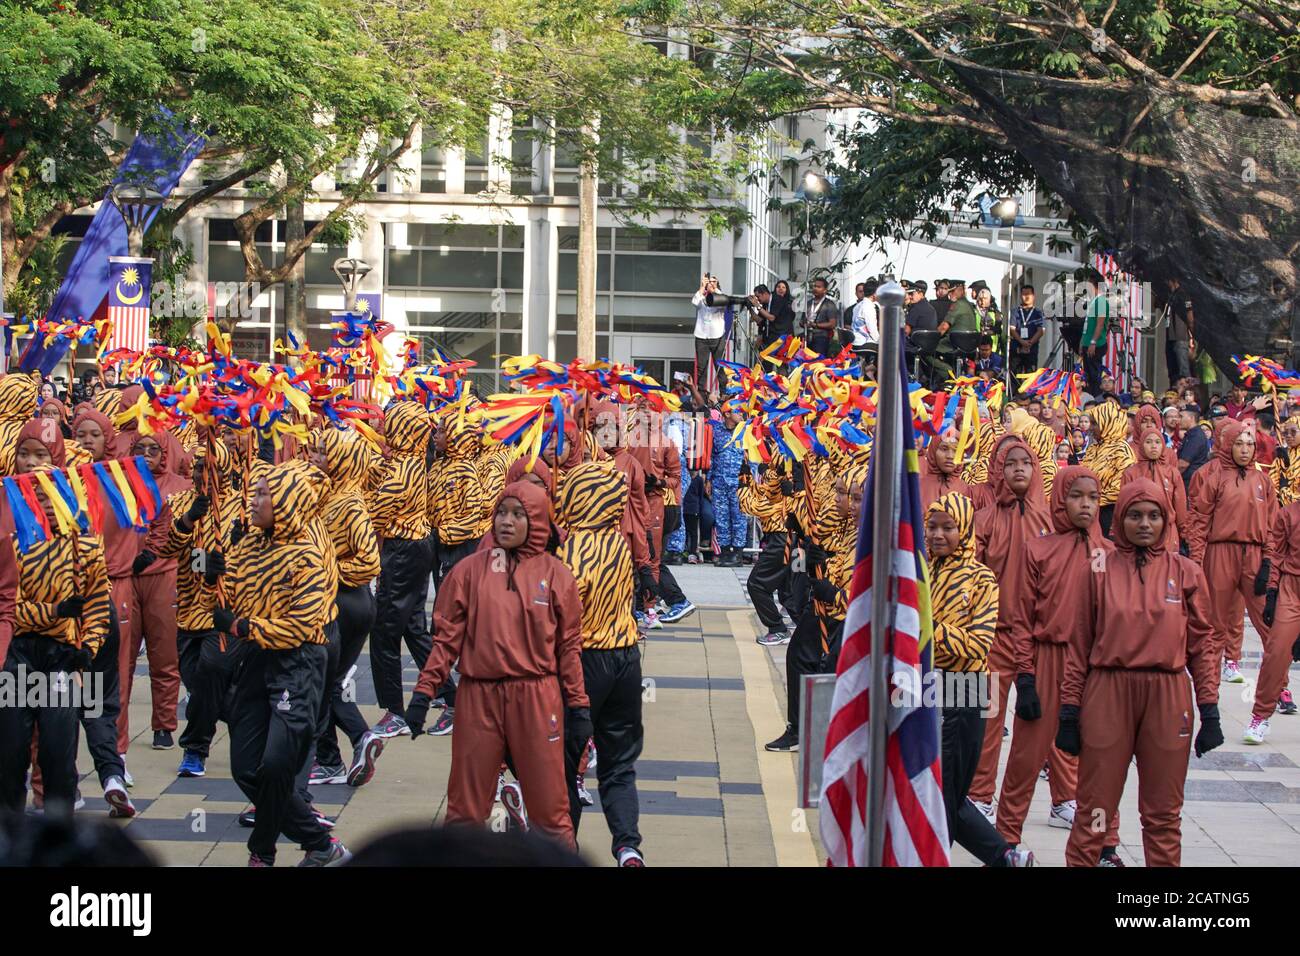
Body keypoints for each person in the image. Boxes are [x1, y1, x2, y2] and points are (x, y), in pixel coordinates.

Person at [406, 482, 589, 850]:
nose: (506, 521)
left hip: (537, 697)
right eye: (501, 513)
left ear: (536, 520)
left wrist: (579, 704)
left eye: (518, 514)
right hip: (478, 696)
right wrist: (424, 693)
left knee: (550, 811)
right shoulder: (468, 571)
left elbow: (569, 647)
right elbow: (445, 640)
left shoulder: (556, 575)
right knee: (464, 811)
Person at [1057, 480, 1221, 867]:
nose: (1144, 524)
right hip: (1107, 692)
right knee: (1094, 813)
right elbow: (1078, 645)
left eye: (1154, 516)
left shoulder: (1186, 572)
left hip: (1167, 695)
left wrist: (1210, 707)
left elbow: (1203, 645)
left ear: (1167, 521)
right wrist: (1069, 709)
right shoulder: (1097, 567)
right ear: (1120, 519)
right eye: (1134, 515)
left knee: (1163, 814)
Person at [215, 463, 347, 866]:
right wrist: (209, 565)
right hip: (256, 659)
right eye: (253, 493)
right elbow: (225, 585)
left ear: (286, 501)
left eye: (261, 494)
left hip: (298, 663)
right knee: (245, 768)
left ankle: (263, 851)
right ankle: (322, 845)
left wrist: (241, 625)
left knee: (275, 765)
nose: (252, 502)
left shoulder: (307, 556)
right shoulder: (250, 544)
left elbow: (301, 626)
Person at [997, 466, 1121, 863]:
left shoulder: (1110, 554)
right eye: (1076, 496)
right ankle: (1005, 841)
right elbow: (1020, 615)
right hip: (1048, 659)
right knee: (1025, 757)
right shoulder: (1039, 549)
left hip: (1092, 666)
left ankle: (1105, 843)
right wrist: (1026, 676)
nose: (1085, 505)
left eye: (1092, 497)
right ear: (1060, 499)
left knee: (1101, 760)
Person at [0, 419, 112, 816]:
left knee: (58, 751)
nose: (32, 464)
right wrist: (50, 611)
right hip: (16, 653)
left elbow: (98, 596)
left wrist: (88, 646)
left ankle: (61, 839)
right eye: (24, 454)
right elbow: (6, 601)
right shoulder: (5, 523)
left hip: (62, 655)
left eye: (42, 456)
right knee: (11, 750)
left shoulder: (81, 530)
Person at [925, 492, 1032, 867]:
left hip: (964, 688)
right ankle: (1007, 857)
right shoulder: (922, 573)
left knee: (944, 793)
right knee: (936, 790)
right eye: (932, 526)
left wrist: (927, 631)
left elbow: (977, 644)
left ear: (965, 529)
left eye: (948, 527)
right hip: (923, 688)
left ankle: (1003, 857)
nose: (938, 535)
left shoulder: (981, 578)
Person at [553, 463, 645, 865]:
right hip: (626, 658)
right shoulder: (617, 544)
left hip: (587, 662)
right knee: (619, 763)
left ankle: (563, 847)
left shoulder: (573, 551)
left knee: (564, 764)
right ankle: (627, 845)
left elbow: (563, 616)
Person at [967, 438, 1053, 822]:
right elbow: (971, 579)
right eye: (1010, 463)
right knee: (988, 720)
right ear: (997, 470)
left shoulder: (1050, 520)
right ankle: (980, 795)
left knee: (1045, 724)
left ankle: (1063, 799)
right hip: (995, 637)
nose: (1019, 469)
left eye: (1026, 463)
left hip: (1038, 639)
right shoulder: (984, 521)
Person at [307, 427, 385, 787]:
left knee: (319, 683)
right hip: (337, 598)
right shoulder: (328, 495)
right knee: (328, 682)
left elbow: (370, 562)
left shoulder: (350, 503)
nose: (315, 457)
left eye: (323, 452)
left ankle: (331, 758)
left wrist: (326, 570)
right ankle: (355, 741)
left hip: (346, 601)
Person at [1187, 420, 1278, 702]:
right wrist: (1197, 564)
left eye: (1250, 444)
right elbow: (1199, 522)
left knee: (1270, 626)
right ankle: (1209, 690)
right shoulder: (1213, 477)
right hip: (1220, 553)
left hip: (1254, 555)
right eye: (1239, 443)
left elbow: (1273, 526)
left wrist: (1268, 562)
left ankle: (1280, 689)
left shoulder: (1263, 481)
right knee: (1214, 626)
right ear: (1228, 445)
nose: (1245, 449)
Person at [367, 400, 435, 739]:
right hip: (418, 547)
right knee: (413, 628)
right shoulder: (414, 462)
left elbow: (375, 514)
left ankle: (393, 710)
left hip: (401, 550)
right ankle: (450, 695)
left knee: (384, 633)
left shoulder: (400, 472)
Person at [1256, 497, 1300, 735]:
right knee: (1276, 652)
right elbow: (1278, 555)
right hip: (1291, 589)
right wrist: (1272, 592)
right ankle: (1260, 716)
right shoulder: (1287, 514)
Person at [741, 458, 796, 646]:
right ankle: (802, 627)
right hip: (792, 539)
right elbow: (762, 492)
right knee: (790, 592)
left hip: (782, 540)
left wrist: (743, 481)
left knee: (756, 584)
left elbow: (750, 505)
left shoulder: (779, 487)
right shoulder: (786, 478)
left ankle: (778, 628)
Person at [1122, 425, 1189, 550]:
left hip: (1168, 533)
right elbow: (1124, 506)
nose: (1153, 446)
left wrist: (1184, 533)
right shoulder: (1130, 473)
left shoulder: (1172, 473)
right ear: (1141, 445)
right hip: (1139, 532)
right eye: (1148, 442)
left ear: (1163, 445)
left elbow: (1180, 506)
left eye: (1157, 442)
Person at [1080, 401, 1135, 536]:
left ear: (1107, 423)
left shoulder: (1121, 449)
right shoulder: (1093, 448)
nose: (1091, 428)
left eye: (1095, 424)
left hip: (1109, 513)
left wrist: (1094, 499)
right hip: (1090, 508)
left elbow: (1121, 486)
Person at [920, 428, 973, 508]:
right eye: (944, 449)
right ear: (933, 451)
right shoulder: (918, 487)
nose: (950, 456)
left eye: (956, 451)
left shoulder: (967, 491)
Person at [691, 274, 729, 386]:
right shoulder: (701, 298)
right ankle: (702, 395)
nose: (711, 283)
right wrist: (702, 287)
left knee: (720, 366)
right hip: (701, 336)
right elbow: (694, 302)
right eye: (709, 281)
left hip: (717, 336)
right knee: (701, 367)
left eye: (714, 281)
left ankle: (724, 392)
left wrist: (714, 289)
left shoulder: (720, 296)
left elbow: (723, 302)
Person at [1080, 270, 1109, 396]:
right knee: (1087, 375)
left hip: (1096, 344)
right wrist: (1082, 341)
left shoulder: (1101, 301)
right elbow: (1087, 325)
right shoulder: (1093, 302)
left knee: (1094, 375)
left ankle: (1096, 398)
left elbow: (1100, 324)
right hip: (1087, 342)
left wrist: (1093, 342)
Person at [1009, 285, 1045, 376]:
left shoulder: (1038, 312)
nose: (1026, 297)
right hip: (1017, 347)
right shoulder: (1015, 311)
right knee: (1015, 374)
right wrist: (1022, 342)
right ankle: (1015, 390)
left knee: (1030, 375)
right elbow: (1012, 329)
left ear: (1033, 296)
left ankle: (1029, 391)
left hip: (1031, 348)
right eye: (1024, 294)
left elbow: (1041, 330)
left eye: (1028, 294)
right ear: (1020, 295)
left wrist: (1030, 343)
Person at [748, 281, 794, 349]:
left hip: (781, 339)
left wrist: (757, 306)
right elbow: (759, 320)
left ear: (765, 294)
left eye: (758, 296)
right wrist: (749, 308)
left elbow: (771, 318)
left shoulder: (778, 300)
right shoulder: (765, 304)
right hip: (769, 338)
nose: (757, 299)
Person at [1176, 404, 1211, 489]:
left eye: (1181, 417)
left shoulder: (1196, 436)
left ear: (1191, 418)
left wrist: (1169, 478)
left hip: (1190, 484)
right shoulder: (1191, 434)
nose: (1178, 420)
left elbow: (1183, 464)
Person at [803, 277, 839, 356]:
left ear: (825, 290)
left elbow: (832, 324)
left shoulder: (829, 304)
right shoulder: (808, 303)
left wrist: (815, 325)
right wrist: (804, 323)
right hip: (807, 337)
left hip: (821, 338)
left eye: (819, 287)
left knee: (818, 363)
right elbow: (802, 321)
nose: (815, 288)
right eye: (814, 286)